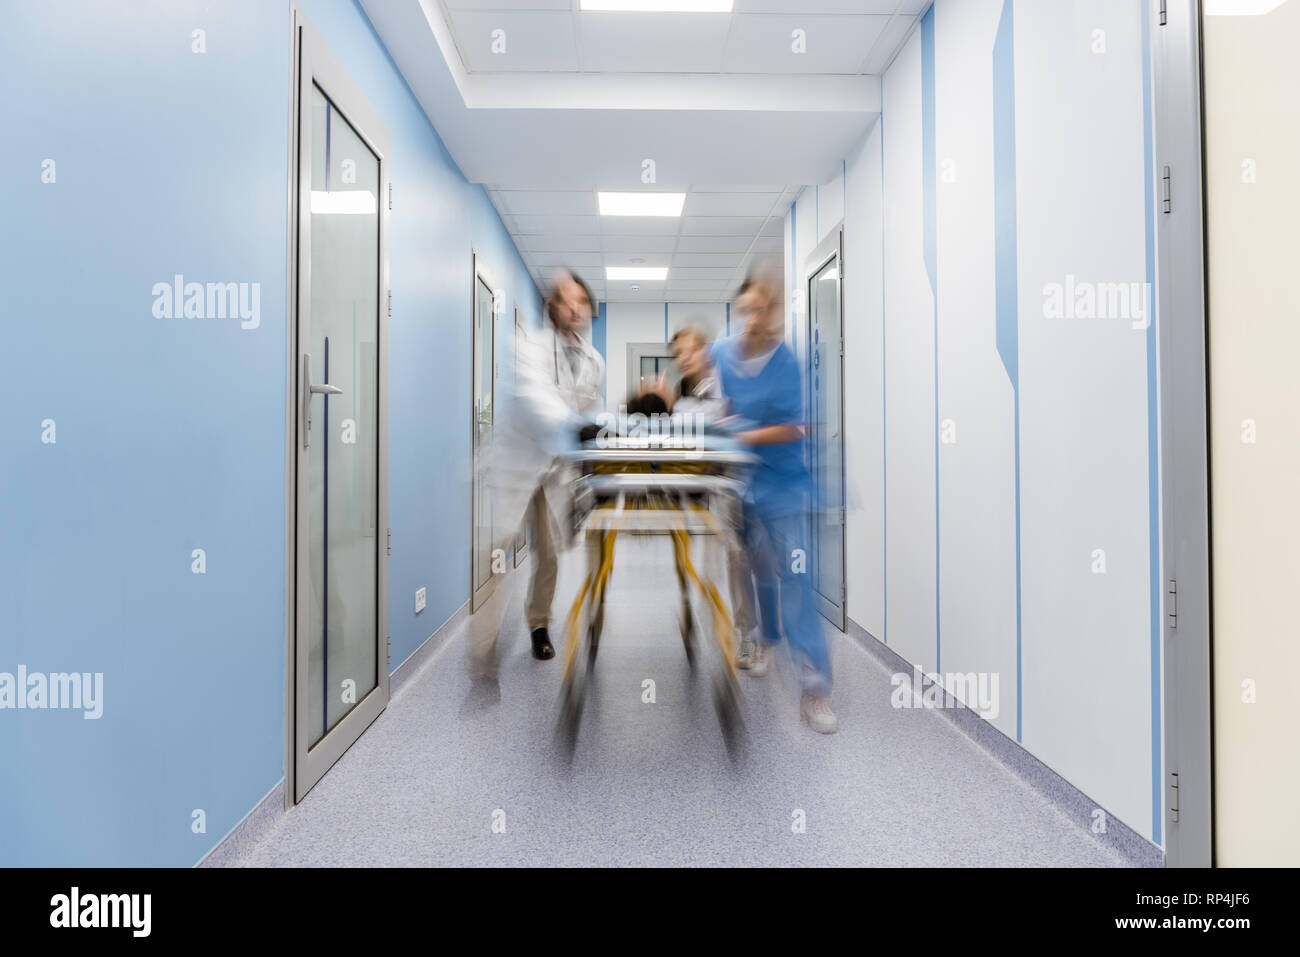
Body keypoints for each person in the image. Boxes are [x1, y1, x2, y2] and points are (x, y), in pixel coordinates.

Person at [710, 268, 836, 733]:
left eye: (763, 309)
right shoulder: (722, 352)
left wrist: (740, 434)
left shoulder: (788, 363)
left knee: (797, 578)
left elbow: (793, 427)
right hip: (746, 486)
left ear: (777, 312)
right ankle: (765, 640)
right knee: (760, 571)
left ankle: (816, 688)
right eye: (747, 309)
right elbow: (722, 403)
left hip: (785, 485)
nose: (754, 318)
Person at [470, 268, 605, 674]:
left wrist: (595, 431)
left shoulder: (593, 360)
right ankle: (484, 649)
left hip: (555, 473)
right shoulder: (527, 343)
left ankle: (538, 626)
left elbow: (588, 408)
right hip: (518, 464)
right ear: (552, 306)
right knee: (494, 552)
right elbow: (535, 397)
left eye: (580, 301)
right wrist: (576, 425)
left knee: (548, 556)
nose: (574, 308)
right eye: (566, 300)